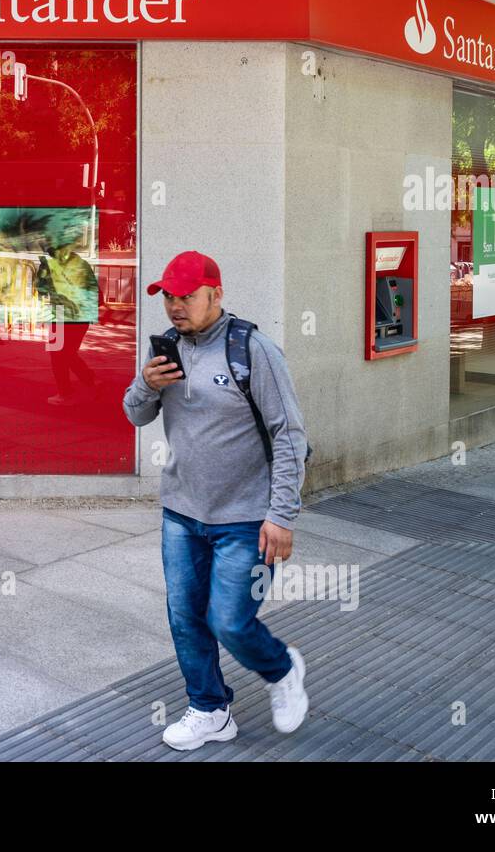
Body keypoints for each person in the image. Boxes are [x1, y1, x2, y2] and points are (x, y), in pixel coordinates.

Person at [123, 250, 310, 751]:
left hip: (247, 519)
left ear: (216, 293)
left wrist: (282, 515)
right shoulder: (168, 352)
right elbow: (135, 414)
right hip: (182, 512)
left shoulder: (254, 350)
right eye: (169, 296)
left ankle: (281, 667)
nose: (176, 306)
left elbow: (289, 435)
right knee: (184, 615)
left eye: (187, 295)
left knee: (229, 620)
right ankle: (209, 709)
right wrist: (146, 383)